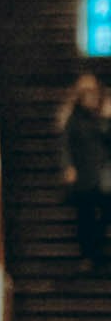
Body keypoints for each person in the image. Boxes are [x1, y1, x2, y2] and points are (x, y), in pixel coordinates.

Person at [66, 70, 111, 278]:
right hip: (84, 178)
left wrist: (105, 119)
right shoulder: (74, 119)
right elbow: (66, 145)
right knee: (85, 218)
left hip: (103, 177)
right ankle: (88, 256)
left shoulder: (103, 116)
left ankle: (97, 253)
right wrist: (68, 166)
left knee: (103, 215)